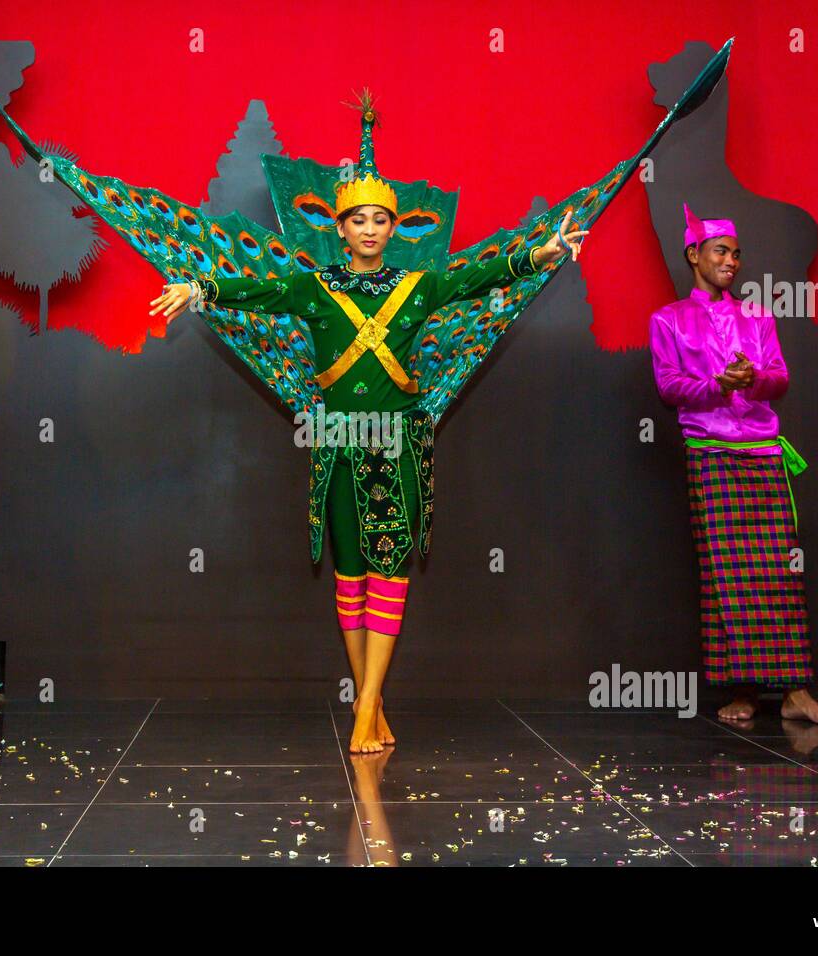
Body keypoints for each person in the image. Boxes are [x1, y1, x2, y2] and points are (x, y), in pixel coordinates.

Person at [150, 107, 585, 752]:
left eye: (382, 218)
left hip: (398, 442)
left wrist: (537, 255)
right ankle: (370, 701)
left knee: (390, 568)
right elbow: (257, 288)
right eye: (359, 218)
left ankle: (364, 708)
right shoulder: (314, 287)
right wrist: (198, 288)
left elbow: (479, 277)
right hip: (337, 443)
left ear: (395, 227)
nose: (372, 228)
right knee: (350, 572)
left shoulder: (420, 284)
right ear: (340, 226)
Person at [648, 204, 818, 725]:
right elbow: (668, 388)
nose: (732, 262)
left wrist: (751, 379)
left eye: (736, 254)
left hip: (761, 454)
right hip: (710, 454)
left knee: (780, 572)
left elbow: (779, 379)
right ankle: (741, 692)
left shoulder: (756, 316)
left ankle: (795, 692)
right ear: (694, 255)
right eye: (721, 252)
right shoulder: (667, 319)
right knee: (725, 575)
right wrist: (718, 386)